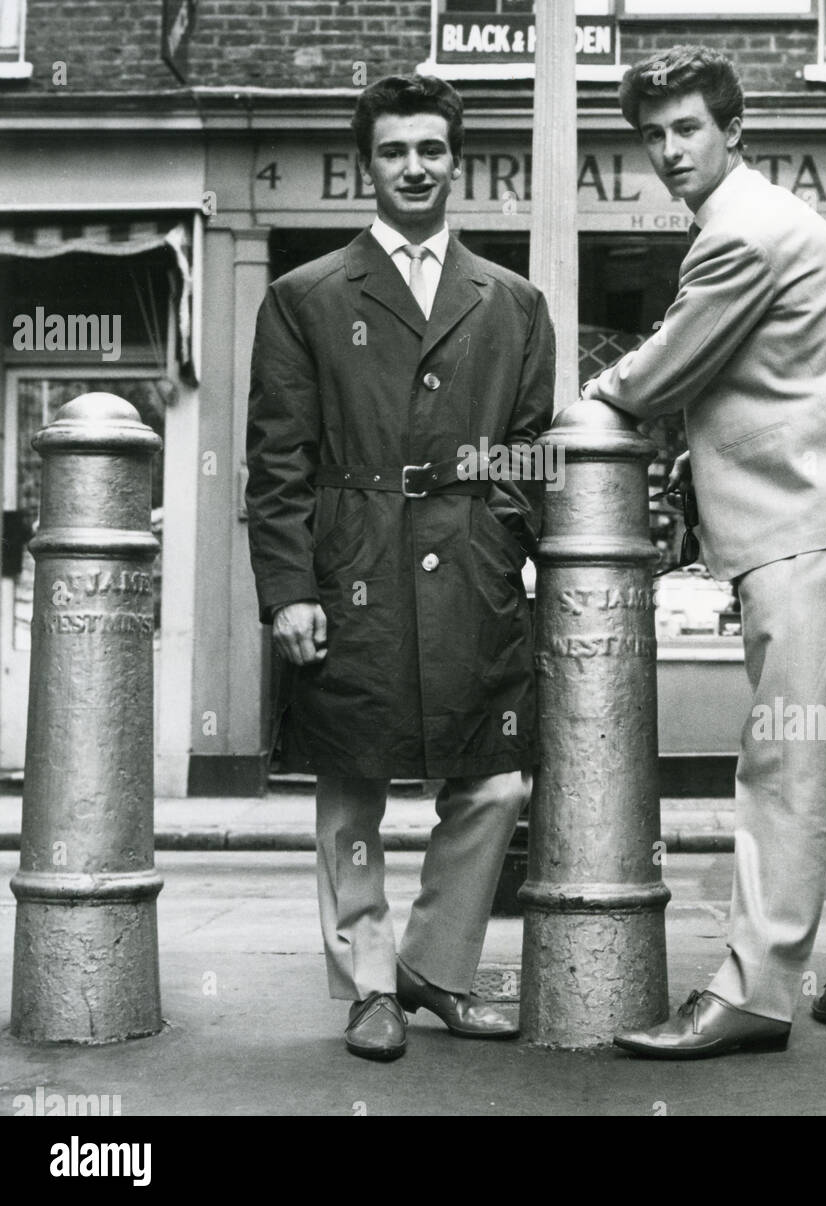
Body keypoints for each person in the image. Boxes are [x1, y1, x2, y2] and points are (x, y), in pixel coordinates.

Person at [582, 45, 826, 1060]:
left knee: (786, 756)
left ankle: (755, 991)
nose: (668, 151)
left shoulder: (738, 233)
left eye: (687, 128)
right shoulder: (771, 218)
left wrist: (593, 397)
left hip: (812, 523)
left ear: (733, 130)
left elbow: (658, 374)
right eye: (652, 135)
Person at [246, 73, 555, 1061]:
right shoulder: (305, 297)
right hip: (354, 564)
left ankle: (434, 964)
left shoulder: (513, 302)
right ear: (365, 166)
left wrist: (499, 538)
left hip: (472, 570)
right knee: (352, 783)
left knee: (496, 781)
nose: (414, 167)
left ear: (455, 162)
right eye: (394, 151)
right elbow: (278, 463)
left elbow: (528, 451)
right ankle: (369, 984)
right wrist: (290, 590)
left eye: (430, 149)